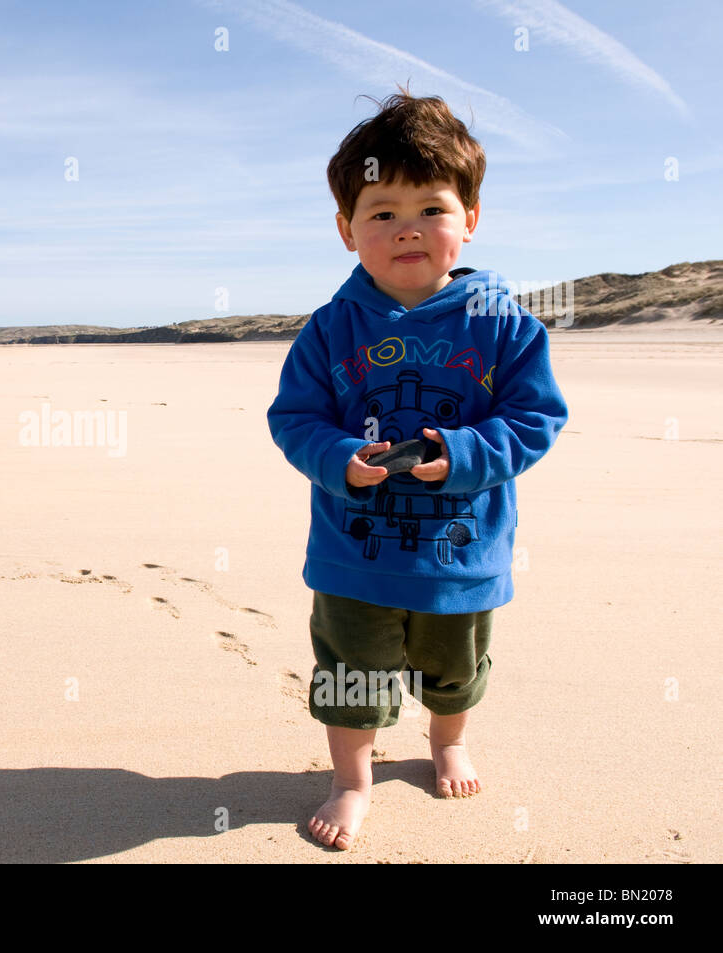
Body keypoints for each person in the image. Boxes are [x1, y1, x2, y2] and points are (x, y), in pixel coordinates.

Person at [266, 86, 569, 850]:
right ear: (347, 229)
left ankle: (446, 739)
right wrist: (341, 460)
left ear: (469, 218)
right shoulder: (332, 329)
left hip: (459, 554)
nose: (408, 230)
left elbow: (536, 419)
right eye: (382, 213)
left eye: (431, 208)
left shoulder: (506, 325)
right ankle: (350, 779)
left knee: (454, 667)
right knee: (350, 674)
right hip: (354, 556)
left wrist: (462, 455)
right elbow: (294, 418)